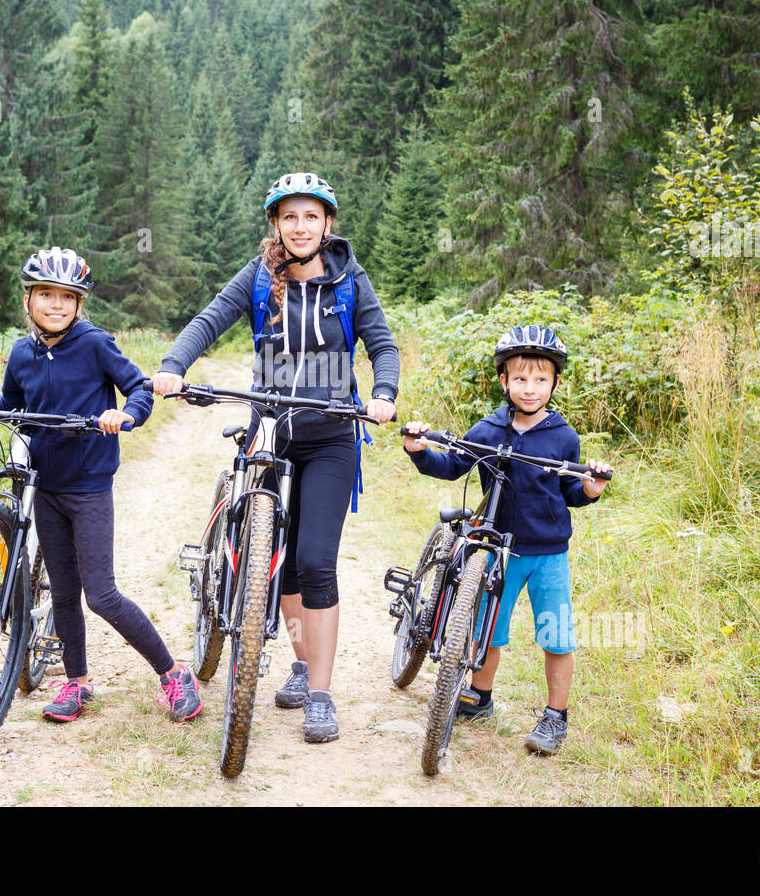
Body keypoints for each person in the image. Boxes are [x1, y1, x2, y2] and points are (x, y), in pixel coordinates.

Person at [151, 173, 399, 743]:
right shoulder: (261, 274)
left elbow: (381, 344)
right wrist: (174, 364)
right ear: (277, 224)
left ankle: (319, 692)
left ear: (327, 223)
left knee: (315, 559)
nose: (301, 226)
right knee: (277, 561)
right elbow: (210, 319)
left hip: (333, 432)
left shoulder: (349, 278)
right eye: (290, 217)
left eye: (311, 216)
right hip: (271, 428)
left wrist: (382, 394)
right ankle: (300, 658)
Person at [0, 247, 203, 724]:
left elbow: (137, 387)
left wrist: (125, 414)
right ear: (28, 299)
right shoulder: (21, 351)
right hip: (43, 487)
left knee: (101, 594)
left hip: (88, 485)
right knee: (65, 593)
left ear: (79, 302)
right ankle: (77, 682)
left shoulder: (94, 344)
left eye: (67, 296)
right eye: (45, 294)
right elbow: (11, 404)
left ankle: (174, 673)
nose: (56, 304)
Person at [402, 325, 611, 754]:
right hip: (497, 549)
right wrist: (419, 449)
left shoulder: (563, 436)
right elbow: (452, 465)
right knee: (486, 630)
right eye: (520, 379)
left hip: (548, 553)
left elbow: (569, 492)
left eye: (540, 380)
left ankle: (556, 717)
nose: (529, 388)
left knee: (557, 634)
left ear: (555, 383)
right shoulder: (487, 429)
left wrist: (589, 489)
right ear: (504, 381)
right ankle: (480, 696)